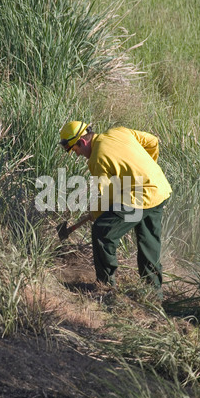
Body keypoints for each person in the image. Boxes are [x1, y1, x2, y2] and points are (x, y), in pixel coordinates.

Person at [59, 121, 172, 301]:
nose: (77, 154)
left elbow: (106, 197)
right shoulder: (119, 132)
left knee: (102, 231)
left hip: (140, 197)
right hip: (160, 188)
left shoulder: (97, 158)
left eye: (75, 150)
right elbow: (152, 141)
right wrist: (148, 169)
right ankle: (154, 295)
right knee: (148, 242)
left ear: (83, 141)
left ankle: (105, 287)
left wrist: (95, 215)